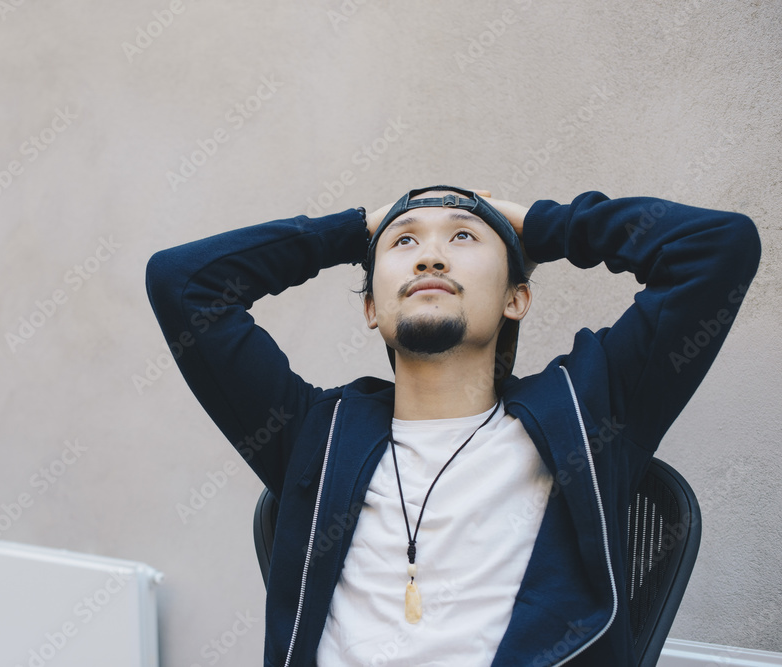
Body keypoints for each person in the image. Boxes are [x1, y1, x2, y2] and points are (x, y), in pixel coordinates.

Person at [145, 185, 760, 666]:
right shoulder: (314, 436)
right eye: (404, 242)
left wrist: (541, 224)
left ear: (516, 298)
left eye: (464, 236)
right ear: (371, 308)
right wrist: (353, 231)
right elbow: (183, 282)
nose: (431, 255)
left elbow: (717, 246)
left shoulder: (590, 412)